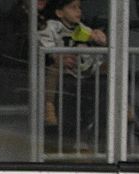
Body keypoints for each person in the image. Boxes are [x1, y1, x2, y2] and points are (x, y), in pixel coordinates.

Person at [38, 0, 107, 146]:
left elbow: (95, 45)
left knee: (107, 69)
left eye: (79, 8)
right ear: (59, 13)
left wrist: (99, 39)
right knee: (53, 70)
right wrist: (57, 57)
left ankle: (124, 104)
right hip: (63, 70)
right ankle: (48, 106)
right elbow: (44, 44)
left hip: (82, 69)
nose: (78, 11)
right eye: (73, 8)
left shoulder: (83, 28)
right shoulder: (52, 27)